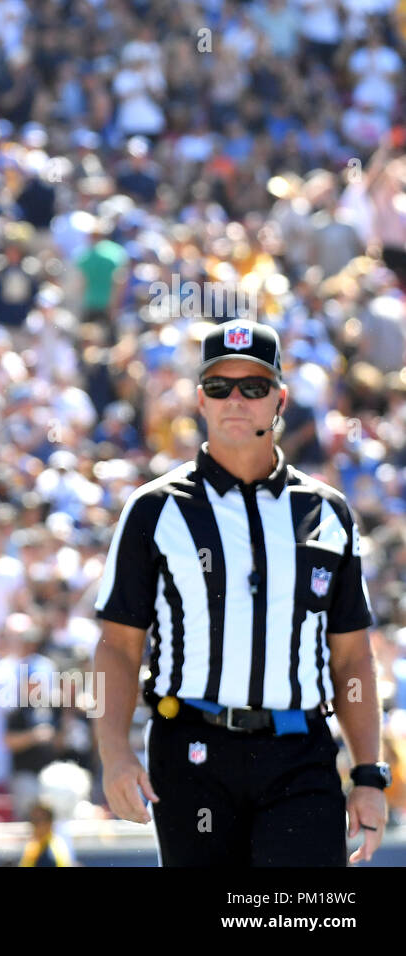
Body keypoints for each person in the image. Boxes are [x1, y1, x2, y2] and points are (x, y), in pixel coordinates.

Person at [93, 319, 390, 866]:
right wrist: (114, 754)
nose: (236, 400)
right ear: (199, 400)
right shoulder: (155, 510)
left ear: (279, 400)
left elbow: (352, 657)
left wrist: (369, 774)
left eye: (252, 387)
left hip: (300, 751)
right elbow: (117, 645)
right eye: (219, 386)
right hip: (192, 752)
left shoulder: (327, 513)